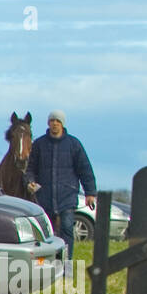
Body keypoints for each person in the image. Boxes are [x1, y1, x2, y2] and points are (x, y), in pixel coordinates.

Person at [24, 110, 97, 259]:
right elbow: (30, 168)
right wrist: (29, 182)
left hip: (67, 196)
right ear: (48, 123)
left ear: (62, 124)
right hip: (44, 196)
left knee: (67, 230)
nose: (54, 124)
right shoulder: (39, 144)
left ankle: (66, 266)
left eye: (57, 121)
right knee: (45, 233)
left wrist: (90, 193)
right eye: (52, 121)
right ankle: (45, 264)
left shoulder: (74, 144)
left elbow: (85, 169)